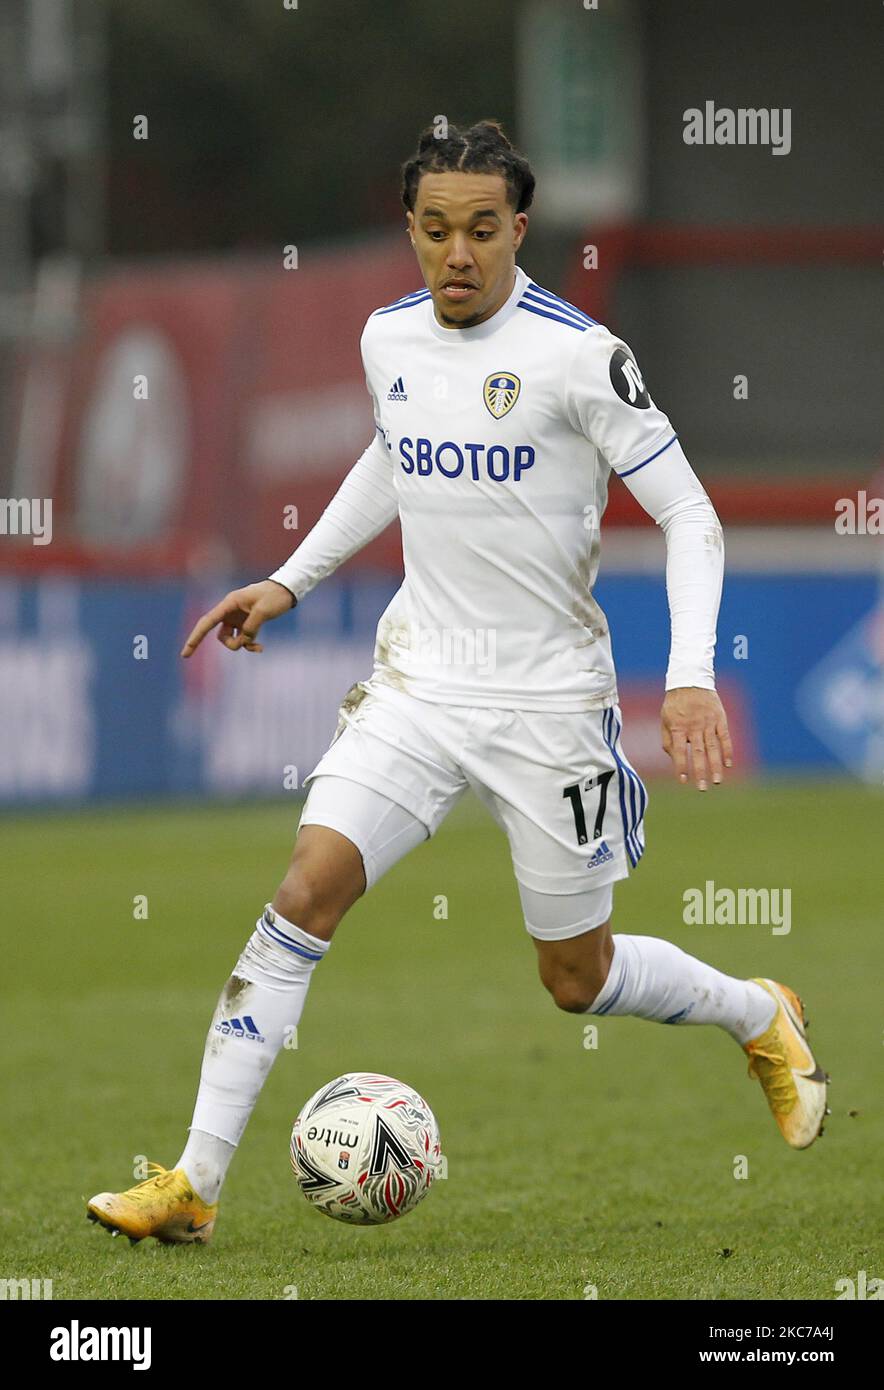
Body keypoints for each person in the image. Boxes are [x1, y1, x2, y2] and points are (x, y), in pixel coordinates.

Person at [87, 120, 827, 1245]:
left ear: (517, 230)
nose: (457, 254)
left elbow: (688, 512)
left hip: (547, 706)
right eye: (435, 230)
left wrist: (685, 677)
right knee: (302, 894)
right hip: (419, 681)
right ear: (411, 232)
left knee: (573, 978)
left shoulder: (580, 355)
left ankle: (754, 1011)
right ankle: (192, 1182)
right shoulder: (388, 339)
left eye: (482, 230)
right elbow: (390, 453)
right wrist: (288, 580)